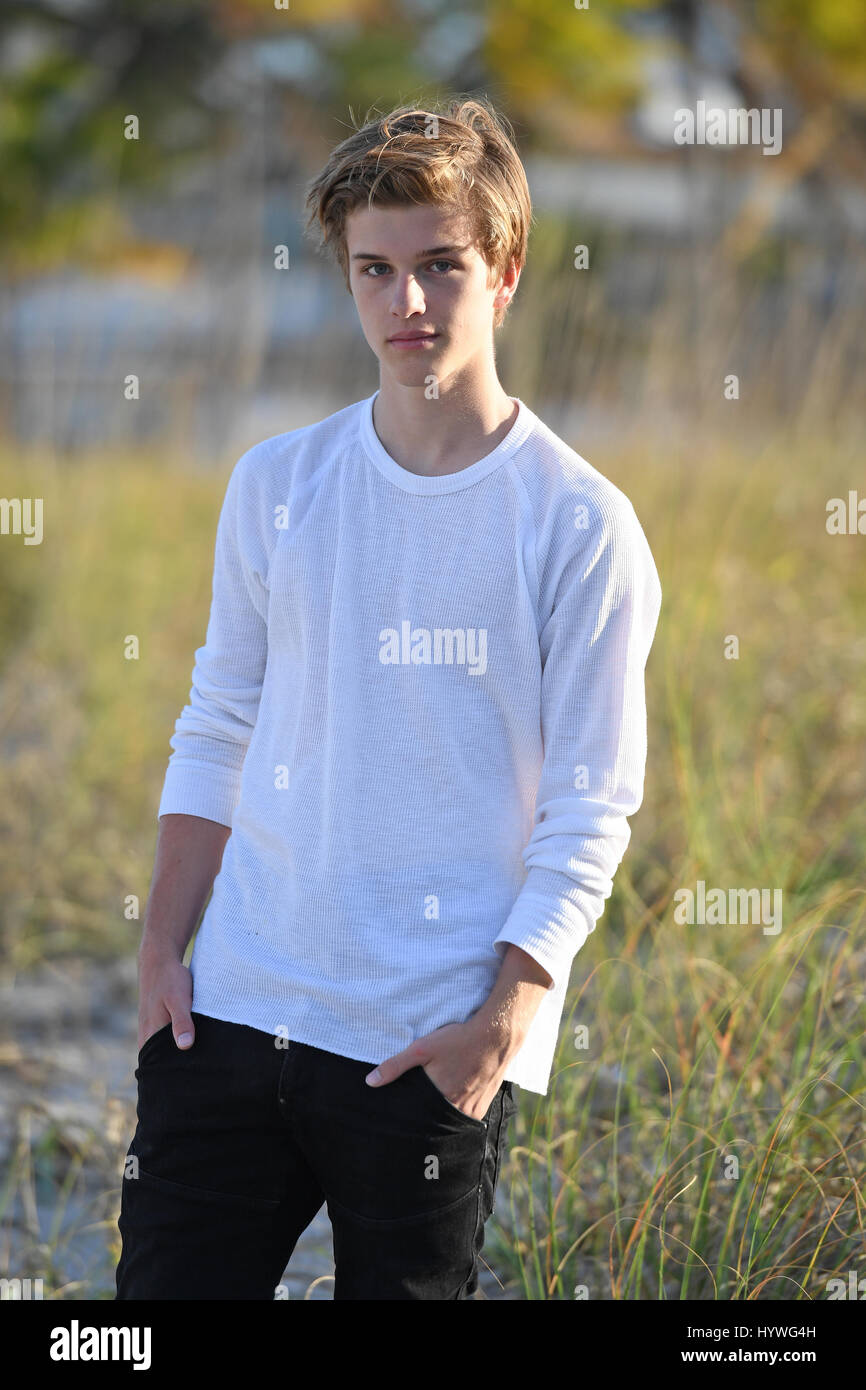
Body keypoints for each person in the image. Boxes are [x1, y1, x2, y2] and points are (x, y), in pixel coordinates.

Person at [114, 96, 662, 1301]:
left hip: (425, 1049)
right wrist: (161, 950)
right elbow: (216, 725)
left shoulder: (580, 525)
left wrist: (506, 1019)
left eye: (438, 268)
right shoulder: (277, 483)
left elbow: (591, 806)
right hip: (229, 1020)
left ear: (505, 269)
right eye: (374, 270)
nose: (404, 305)